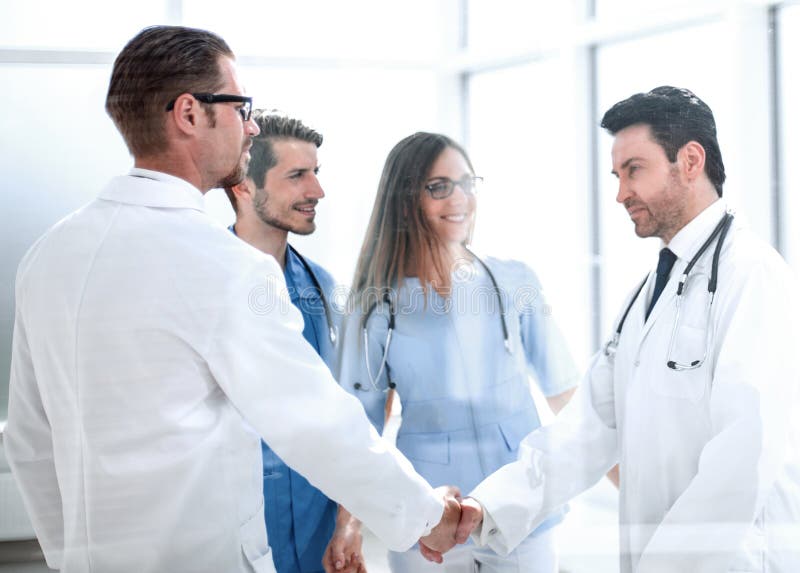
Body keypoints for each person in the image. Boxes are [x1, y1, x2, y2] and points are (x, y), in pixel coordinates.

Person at [3, 25, 462, 573]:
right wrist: (428, 517)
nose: (254, 125)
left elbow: (30, 442)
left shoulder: (48, 256)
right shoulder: (222, 265)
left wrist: (70, 557)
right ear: (190, 114)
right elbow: (314, 422)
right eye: (241, 106)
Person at [454, 86, 800, 572]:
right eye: (617, 176)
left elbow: (743, 458)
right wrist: (487, 509)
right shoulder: (649, 292)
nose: (620, 194)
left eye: (634, 170)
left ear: (691, 160)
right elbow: (588, 428)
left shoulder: (753, 276)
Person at [338, 131, 580, 572]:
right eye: (439, 187)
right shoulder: (376, 305)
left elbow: (571, 399)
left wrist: (636, 491)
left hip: (519, 508)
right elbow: (359, 428)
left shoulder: (514, 281)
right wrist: (349, 523)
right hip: (428, 517)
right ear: (406, 200)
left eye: (468, 183)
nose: (460, 198)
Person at [223, 110, 363, 573]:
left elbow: (352, 414)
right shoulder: (205, 285)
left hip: (314, 534)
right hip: (229, 529)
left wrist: (349, 523)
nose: (317, 191)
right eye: (298, 175)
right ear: (243, 184)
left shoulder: (323, 291)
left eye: (316, 174)